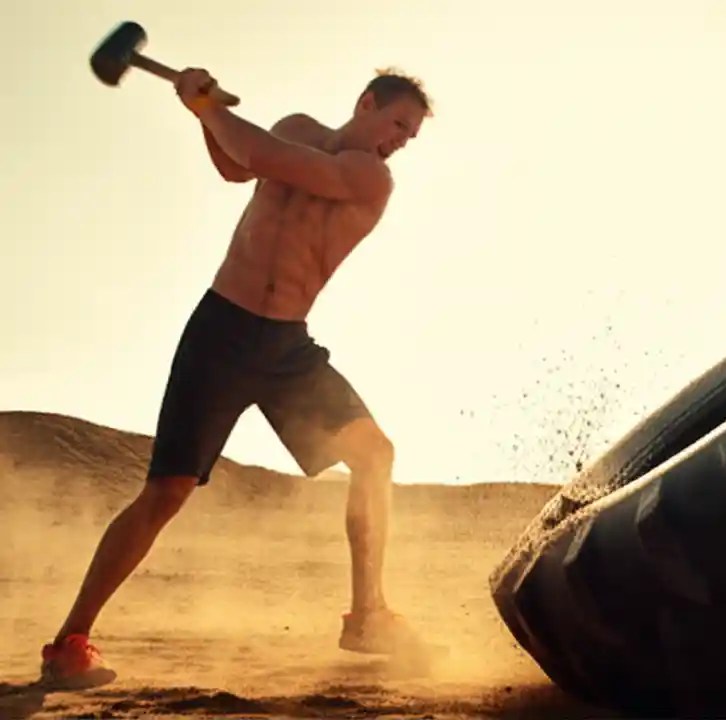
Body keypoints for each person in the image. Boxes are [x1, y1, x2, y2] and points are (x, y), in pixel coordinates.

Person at [38, 66, 433, 688]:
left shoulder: (369, 178)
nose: (402, 141)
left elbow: (261, 153)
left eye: (410, 135)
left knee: (373, 455)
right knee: (165, 493)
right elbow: (236, 165)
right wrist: (205, 117)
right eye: (397, 124)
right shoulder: (298, 128)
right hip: (220, 332)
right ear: (365, 104)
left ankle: (368, 616)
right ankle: (70, 644)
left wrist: (205, 107)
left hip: (285, 349)